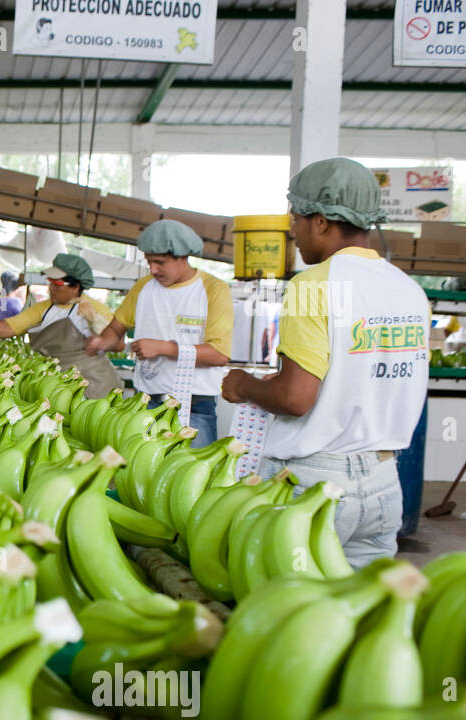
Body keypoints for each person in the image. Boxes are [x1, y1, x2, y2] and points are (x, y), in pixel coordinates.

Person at [222, 157, 430, 567]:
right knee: (361, 616)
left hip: (315, 485)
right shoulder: (409, 291)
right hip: (385, 481)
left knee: (291, 613)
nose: (292, 231)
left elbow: (296, 397)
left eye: (295, 218)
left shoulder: (314, 285)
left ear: (320, 221)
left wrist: (242, 384)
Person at [85, 219, 232, 446]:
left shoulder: (213, 290)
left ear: (183, 257)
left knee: (190, 477)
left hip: (195, 406)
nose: (153, 269)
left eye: (160, 262)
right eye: (149, 262)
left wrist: (163, 348)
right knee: (142, 476)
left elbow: (219, 354)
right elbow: (115, 328)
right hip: (146, 401)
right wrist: (102, 342)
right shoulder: (143, 287)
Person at [0, 253, 122, 398]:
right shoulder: (44, 309)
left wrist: (102, 341)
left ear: (75, 286)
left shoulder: (92, 309)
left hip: (95, 385)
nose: (50, 289)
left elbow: (120, 343)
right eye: (50, 283)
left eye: (57, 284)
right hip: (59, 384)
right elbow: (9, 327)